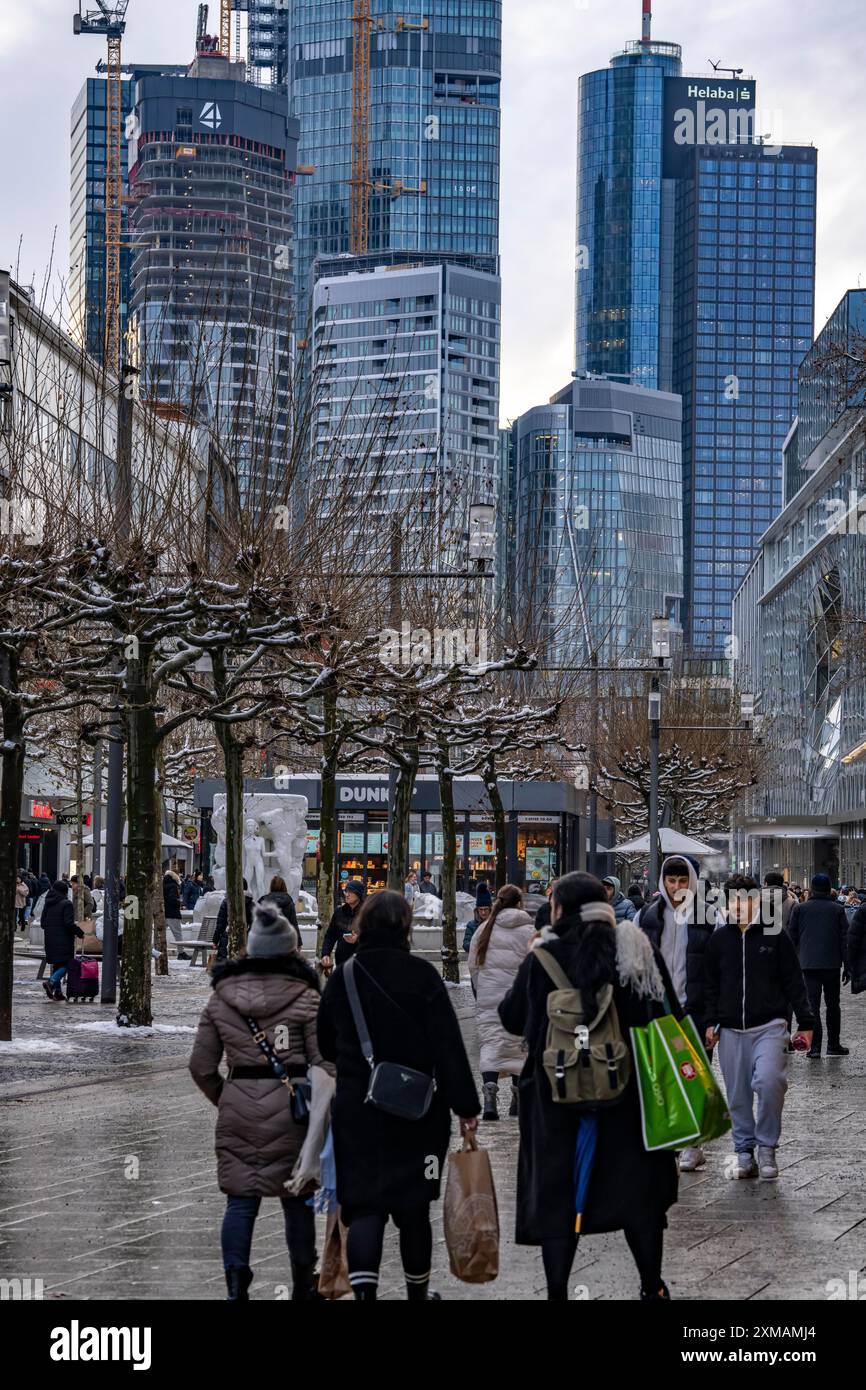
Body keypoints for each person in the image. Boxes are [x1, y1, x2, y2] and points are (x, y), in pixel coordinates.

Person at [499, 871, 680, 1302]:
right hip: (628, 1093)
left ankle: (558, 1291)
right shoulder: (635, 949)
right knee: (638, 1190)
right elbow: (666, 1011)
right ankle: (651, 1284)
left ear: (560, 909)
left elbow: (510, 1017)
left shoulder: (543, 956)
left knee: (558, 1194)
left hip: (554, 1095)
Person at [317, 890, 480, 1300]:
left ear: (362, 925)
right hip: (418, 1114)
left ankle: (366, 1296)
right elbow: (449, 1047)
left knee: (364, 1206)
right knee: (413, 1208)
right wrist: (466, 1107)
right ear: (405, 927)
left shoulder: (345, 976)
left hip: (358, 1111)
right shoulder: (422, 977)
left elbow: (324, 1044)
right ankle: (416, 1294)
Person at [189, 902, 333, 1300]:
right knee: (297, 1197)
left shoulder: (221, 998)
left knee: (240, 1200)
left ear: (251, 949)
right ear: (289, 949)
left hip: (237, 1106)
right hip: (292, 1112)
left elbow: (201, 1065)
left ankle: (236, 1283)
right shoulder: (307, 998)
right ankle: (304, 1283)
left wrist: (227, 1098)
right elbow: (325, 1065)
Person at [704, 875, 815, 1180]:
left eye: (745, 898)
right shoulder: (719, 940)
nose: (739, 905)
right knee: (738, 1095)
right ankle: (744, 1151)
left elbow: (794, 981)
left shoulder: (775, 934)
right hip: (729, 1029)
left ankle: (767, 1146)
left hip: (770, 1025)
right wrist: (710, 1023)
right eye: (734, 899)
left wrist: (806, 1022)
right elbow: (711, 986)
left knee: (770, 1082)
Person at [637, 855, 713, 1172]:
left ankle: (693, 1143)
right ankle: (669, 1138)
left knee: (693, 1076)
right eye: (671, 881)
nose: (677, 887)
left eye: (683, 881)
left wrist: (714, 1016)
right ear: (663, 882)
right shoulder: (648, 916)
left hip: (694, 1007)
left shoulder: (707, 916)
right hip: (658, 1007)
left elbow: (716, 968)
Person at [468, 883, 535, 1121]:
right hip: (519, 998)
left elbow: (473, 966)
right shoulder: (529, 931)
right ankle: (517, 1098)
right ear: (520, 903)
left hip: (489, 997)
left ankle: (489, 1096)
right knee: (519, 1046)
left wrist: (481, 988)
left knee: (491, 1045)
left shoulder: (484, 930)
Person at [788, 873, 850, 1057]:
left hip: (808, 964)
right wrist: (847, 966)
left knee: (812, 1006)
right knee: (833, 1005)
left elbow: (793, 937)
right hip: (831, 964)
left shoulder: (801, 909)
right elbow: (844, 939)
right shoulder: (837, 910)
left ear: (812, 889)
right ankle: (833, 1045)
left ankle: (814, 1047)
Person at [41, 879, 85, 1001]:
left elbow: (43, 923)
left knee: (57, 964)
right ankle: (51, 982)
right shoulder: (67, 904)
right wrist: (80, 932)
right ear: (64, 892)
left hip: (50, 940)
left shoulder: (48, 903)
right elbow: (69, 924)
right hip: (64, 941)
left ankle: (58, 992)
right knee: (67, 964)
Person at [321, 880, 365, 972]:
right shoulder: (339, 912)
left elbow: (374, 937)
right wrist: (325, 954)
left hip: (361, 962)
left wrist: (357, 939)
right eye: (346, 891)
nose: (347, 894)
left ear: (358, 894)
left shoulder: (367, 913)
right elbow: (330, 935)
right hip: (341, 961)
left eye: (351, 892)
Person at [163, 868, 190, 961]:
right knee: (178, 934)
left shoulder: (163, 884)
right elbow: (172, 899)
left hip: (164, 913)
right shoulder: (173, 886)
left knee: (161, 933)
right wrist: (180, 903)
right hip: (173, 913)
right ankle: (181, 953)